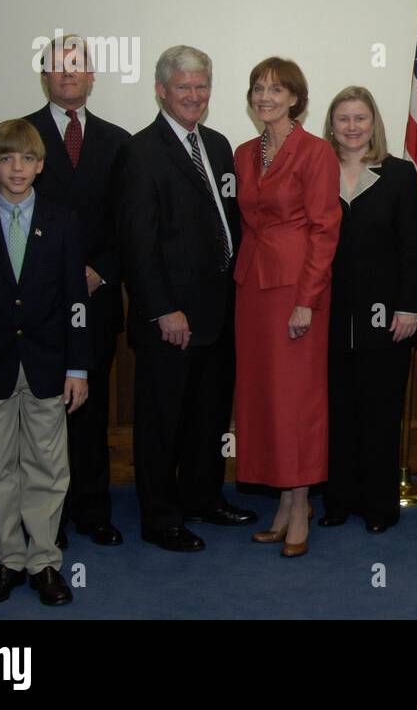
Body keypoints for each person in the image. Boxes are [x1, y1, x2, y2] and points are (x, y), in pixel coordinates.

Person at [117, 45, 255, 553]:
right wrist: (161, 309)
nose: (194, 96)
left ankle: (203, 497)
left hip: (220, 312)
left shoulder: (218, 146)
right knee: (163, 421)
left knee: (209, 415)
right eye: (183, 87)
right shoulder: (140, 152)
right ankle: (160, 517)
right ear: (161, 90)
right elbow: (137, 242)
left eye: (201, 87)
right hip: (170, 317)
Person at [0, 119, 89, 606]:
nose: (17, 168)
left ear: (41, 166)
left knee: (49, 466)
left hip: (50, 365)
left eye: (27, 159)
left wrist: (78, 368)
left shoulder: (64, 221)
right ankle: (8, 559)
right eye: (6, 159)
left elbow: (76, 300)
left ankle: (45, 561)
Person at [24, 33, 131, 550]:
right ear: (45, 77)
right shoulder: (21, 139)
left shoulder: (118, 141)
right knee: (44, 410)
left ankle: (93, 511)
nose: (68, 74)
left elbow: (130, 224)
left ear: (92, 77)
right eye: (57, 67)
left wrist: (101, 271)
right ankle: (49, 518)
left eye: (78, 66)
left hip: (99, 297)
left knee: (89, 407)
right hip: (39, 303)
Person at [232, 58, 340, 557]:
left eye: (276, 89)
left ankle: (300, 507)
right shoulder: (243, 152)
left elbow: (325, 227)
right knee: (265, 399)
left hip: (298, 289)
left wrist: (307, 300)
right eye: (258, 88)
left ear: (295, 97)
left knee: (297, 401)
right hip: (252, 286)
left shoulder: (316, 152)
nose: (265, 97)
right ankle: (282, 502)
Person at [320, 86, 417, 535]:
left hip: (387, 317)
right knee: (338, 412)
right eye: (343, 118)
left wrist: (408, 308)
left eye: (360, 118)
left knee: (380, 413)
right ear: (331, 124)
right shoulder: (316, 171)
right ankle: (339, 499)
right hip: (329, 313)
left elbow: (411, 246)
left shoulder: (399, 173)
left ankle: (379, 507)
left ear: (373, 123)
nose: (352, 127)